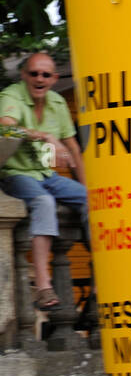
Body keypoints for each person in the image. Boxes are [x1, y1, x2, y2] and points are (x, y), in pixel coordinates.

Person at [0, 52, 88, 314]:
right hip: (15, 173)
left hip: (46, 175)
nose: (39, 78)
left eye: (46, 75)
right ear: (25, 75)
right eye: (34, 73)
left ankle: (102, 276)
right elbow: (5, 129)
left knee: (96, 201)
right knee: (43, 202)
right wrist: (44, 136)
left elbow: (73, 151)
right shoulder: (12, 96)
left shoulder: (58, 103)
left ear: (54, 78)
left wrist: (89, 190)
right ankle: (43, 284)